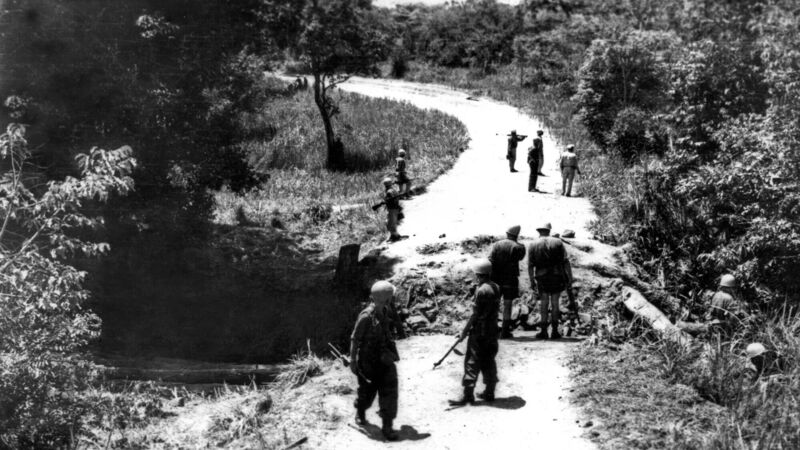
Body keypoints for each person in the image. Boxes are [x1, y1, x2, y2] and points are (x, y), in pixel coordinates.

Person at [350, 280, 401, 440]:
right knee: (367, 393)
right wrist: (353, 361)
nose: (392, 299)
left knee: (390, 392)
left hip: (384, 359)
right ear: (386, 298)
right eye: (390, 296)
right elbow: (355, 339)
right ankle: (361, 411)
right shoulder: (366, 316)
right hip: (368, 362)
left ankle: (387, 426)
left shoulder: (385, 310)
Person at [450, 259, 500, 405]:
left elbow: (475, 314)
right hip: (492, 330)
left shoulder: (481, 290)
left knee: (472, 361)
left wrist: (464, 332)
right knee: (489, 360)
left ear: (478, 274)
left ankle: (468, 395)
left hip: (480, 331)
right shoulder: (496, 287)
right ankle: (489, 392)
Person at [527, 222, 574, 339]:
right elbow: (566, 261)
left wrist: (532, 280)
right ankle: (554, 331)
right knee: (555, 303)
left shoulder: (533, 244)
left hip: (541, 277)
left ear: (539, 231)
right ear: (549, 230)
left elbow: (530, 265)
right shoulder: (558, 242)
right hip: (557, 276)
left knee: (543, 303)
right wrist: (570, 277)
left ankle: (543, 331)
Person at [488, 225, 526, 339]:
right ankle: (505, 331)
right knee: (508, 305)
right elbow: (521, 257)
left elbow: (490, 259)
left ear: (507, 233)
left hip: (496, 278)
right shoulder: (519, 247)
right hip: (510, 279)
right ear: (516, 235)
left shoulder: (496, 245)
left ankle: (492, 330)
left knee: (494, 304)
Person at [382, 178, 403, 242]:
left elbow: (391, 200)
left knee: (390, 223)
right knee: (393, 222)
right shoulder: (394, 190)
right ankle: (394, 235)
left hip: (392, 209)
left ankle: (395, 236)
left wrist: (386, 201)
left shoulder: (389, 192)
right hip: (395, 208)